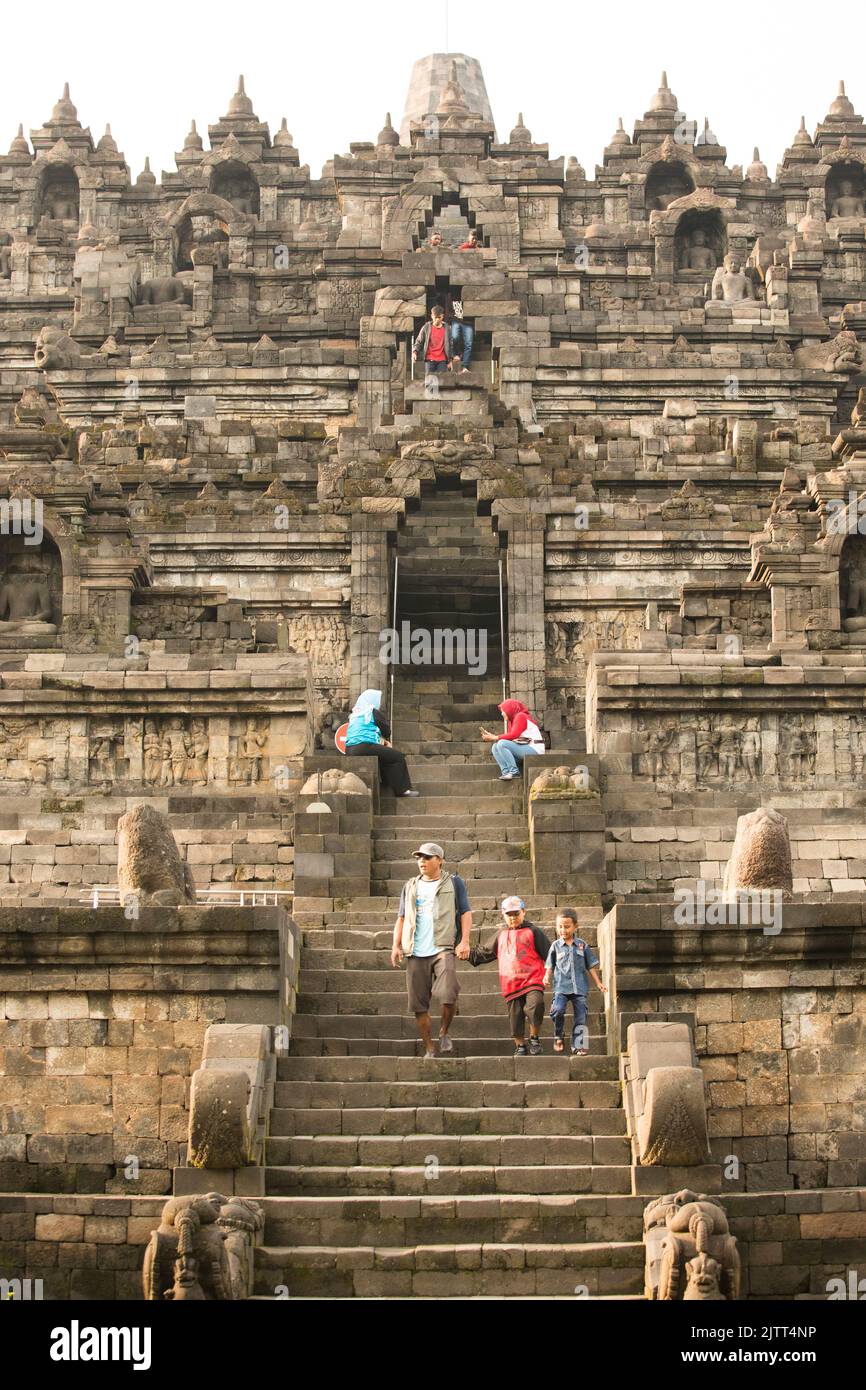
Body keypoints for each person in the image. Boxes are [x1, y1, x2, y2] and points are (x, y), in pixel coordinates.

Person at [390, 842, 472, 1059]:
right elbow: (401, 917)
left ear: (440, 860)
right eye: (419, 858)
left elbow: (465, 912)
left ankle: (444, 1032)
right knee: (419, 1004)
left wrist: (464, 941)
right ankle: (429, 1048)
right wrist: (395, 945)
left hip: (443, 947)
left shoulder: (454, 882)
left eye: (427, 857)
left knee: (448, 992)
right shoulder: (410, 886)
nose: (422, 861)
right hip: (415, 951)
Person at [469, 896, 550, 1056]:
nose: (512, 917)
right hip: (511, 983)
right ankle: (520, 1046)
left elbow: (549, 953)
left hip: (532, 979)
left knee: (536, 1004)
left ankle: (534, 1038)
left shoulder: (533, 931)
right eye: (509, 914)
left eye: (516, 913)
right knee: (515, 1017)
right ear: (503, 915)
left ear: (523, 912)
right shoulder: (501, 934)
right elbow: (484, 953)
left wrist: (551, 972)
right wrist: (466, 953)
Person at [543, 908, 606, 1055]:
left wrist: (598, 982)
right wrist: (546, 977)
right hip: (561, 987)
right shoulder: (555, 946)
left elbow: (590, 965)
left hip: (580, 988)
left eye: (567, 926)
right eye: (560, 927)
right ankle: (558, 1035)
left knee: (581, 1017)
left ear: (575, 926)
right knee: (557, 1010)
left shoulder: (582, 945)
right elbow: (550, 965)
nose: (563, 930)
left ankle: (578, 1045)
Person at [344, 688, 418, 797]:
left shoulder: (354, 715)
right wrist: (386, 741)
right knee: (397, 757)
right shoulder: (372, 711)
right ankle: (403, 790)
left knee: (383, 756)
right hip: (363, 746)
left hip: (349, 749)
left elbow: (362, 732)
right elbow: (386, 730)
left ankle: (386, 786)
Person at [480, 699, 545, 780]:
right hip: (524, 748)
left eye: (503, 711)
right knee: (495, 747)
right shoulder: (512, 720)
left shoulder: (521, 716)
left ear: (509, 709)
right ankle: (506, 773)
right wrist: (493, 737)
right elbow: (510, 739)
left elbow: (514, 735)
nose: (502, 713)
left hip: (534, 749)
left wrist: (495, 737)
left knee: (501, 743)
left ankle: (514, 772)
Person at [412, 305, 454, 377]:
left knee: (442, 383)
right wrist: (414, 352)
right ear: (432, 316)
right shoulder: (426, 327)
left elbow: (450, 344)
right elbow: (419, 341)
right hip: (429, 359)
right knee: (430, 384)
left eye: (439, 317)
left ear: (442, 316)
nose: (437, 320)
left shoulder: (447, 328)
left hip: (442, 360)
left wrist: (450, 360)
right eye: (435, 317)